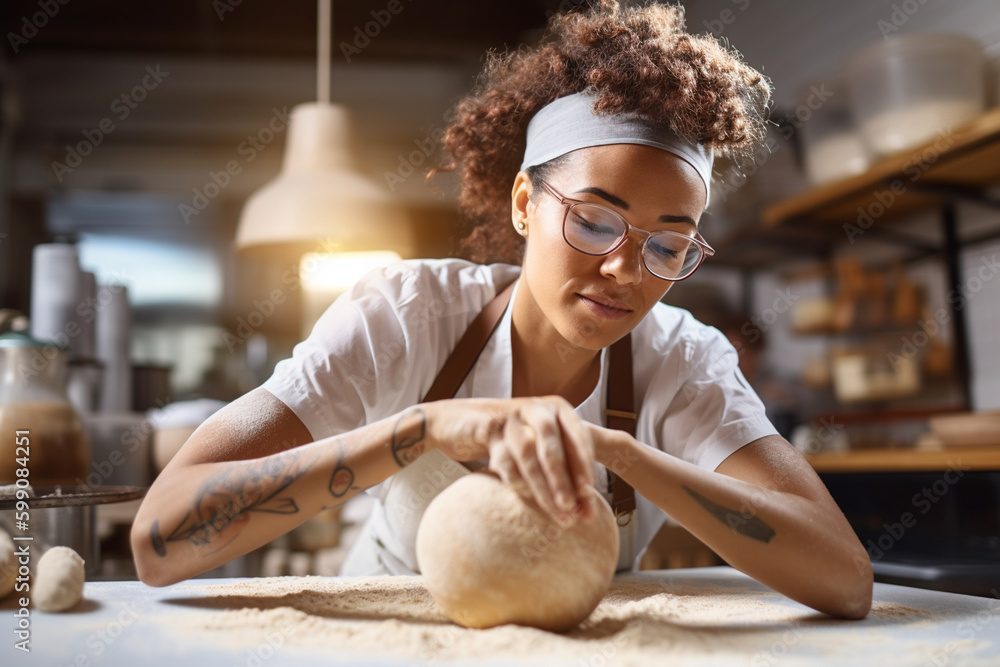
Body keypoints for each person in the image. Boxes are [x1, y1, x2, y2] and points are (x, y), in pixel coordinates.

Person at [131, 1, 872, 619]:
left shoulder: (681, 361)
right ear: (526, 203)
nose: (623, 268)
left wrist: (619, 454)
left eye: (667, 245)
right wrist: (420, 428)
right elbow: (161, 537)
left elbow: (845, 577)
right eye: (592, 219)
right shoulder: (405, 317)